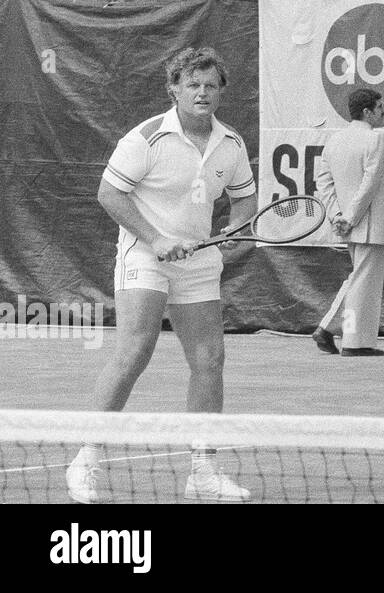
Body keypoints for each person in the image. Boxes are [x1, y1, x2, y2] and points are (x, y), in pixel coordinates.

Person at [65, 47, 258, 504]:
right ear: (174, 88)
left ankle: (203, 472)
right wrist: (154, 239)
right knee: (134, 350)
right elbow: (109, 194)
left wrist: (236, 225)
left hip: (198, 262)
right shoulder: (145, 138)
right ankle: (86, 461)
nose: (202, 93)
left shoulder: (230, 143)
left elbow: (245, 199)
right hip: (144, 256)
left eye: (211, 85)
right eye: (192, 84)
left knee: (210, 360)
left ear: (222, 92)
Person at [312, 88, 384, 358]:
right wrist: (348, 217)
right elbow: (369, 184)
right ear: (367, 112)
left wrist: (338, 216)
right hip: (367, 223)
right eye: (380, 106)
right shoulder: (376, 139)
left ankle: (335, 331)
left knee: (358, 279)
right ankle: (351, 341)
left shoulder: (334, 141)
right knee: (362, 283)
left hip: (349, 224)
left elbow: (324, 183)